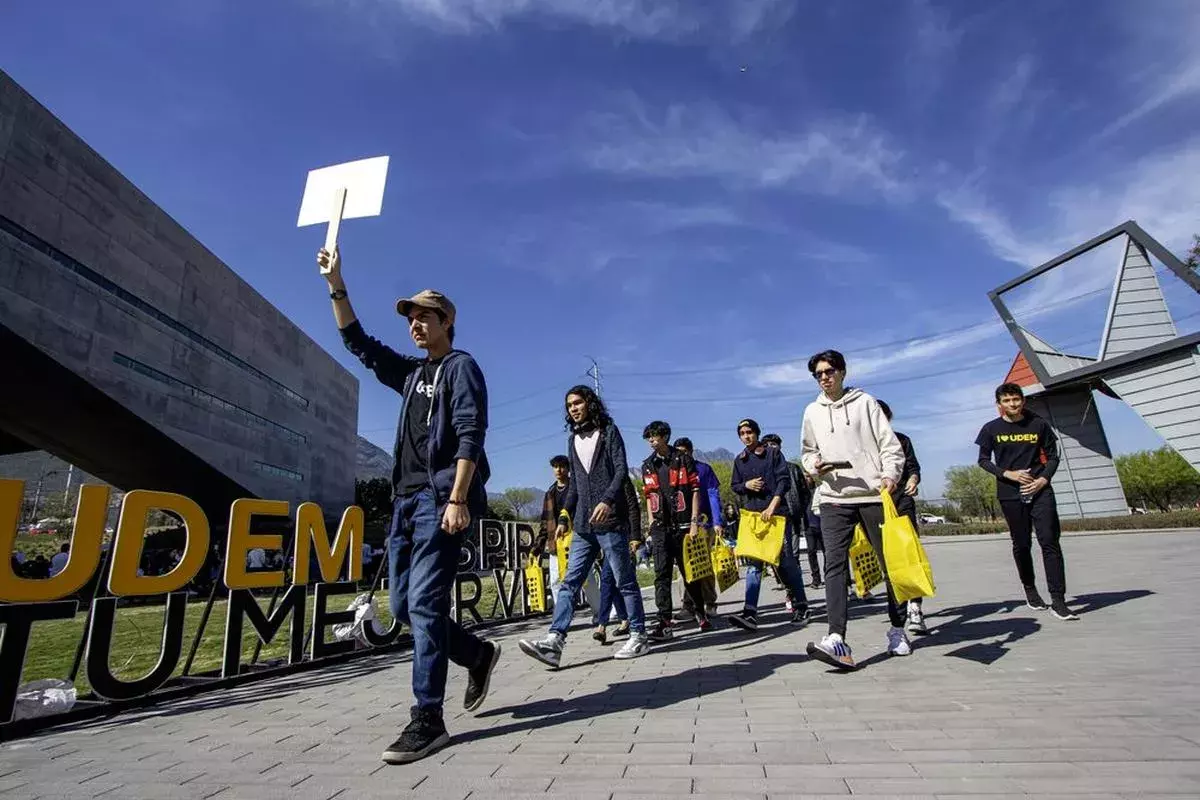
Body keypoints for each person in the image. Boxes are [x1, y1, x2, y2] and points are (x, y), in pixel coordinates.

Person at [318, 246, 500, 765]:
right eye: (412, 319)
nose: (416, 325)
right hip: (403, 503)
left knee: (422, 605)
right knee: (402, 607)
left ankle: (428, 717)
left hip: (440, 499)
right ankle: (478, 653)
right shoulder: (412, 375)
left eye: (425, 317)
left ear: (447, 322)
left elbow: (471, 433)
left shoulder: (461, 368)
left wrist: (458, 497)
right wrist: (337, 283)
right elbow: (358, 342)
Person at [517, 387, 651, 667]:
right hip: (582, 527)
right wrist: (565, 516)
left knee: (624, 580)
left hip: (610, 522)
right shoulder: (572, 439)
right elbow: (576, 484)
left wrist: (607, 501)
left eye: (578, 403)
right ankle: (554, 641)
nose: (573, 408)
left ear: (590, 403)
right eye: (569, 405)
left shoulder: (609, 431)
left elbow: (620, 471)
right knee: (568, 583)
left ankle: (639, 634)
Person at [800, 350, 908, 670]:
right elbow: (807, 452)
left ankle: (898, 629)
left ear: (843, 372)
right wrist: (813, 464)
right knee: (834, 565)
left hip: (873, 494)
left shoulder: (865, 403)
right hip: (834, 497)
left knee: (890, 564)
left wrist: (890, 475)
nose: (824, 377)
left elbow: (890, 445)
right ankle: (836, 637)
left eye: (829, 371)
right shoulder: (811, 411)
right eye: (818, 374)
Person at [975, 383, 1078, 621]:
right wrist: (1007, 474)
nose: (1013, 404)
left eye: (1017, 399)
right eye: (1008, 400)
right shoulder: (991, 429)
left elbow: (1053, 457)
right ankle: (1030, 590)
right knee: (1022, 545)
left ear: (1023, 400)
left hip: (1040, 490)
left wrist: (1043, 479)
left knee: (1050, 542)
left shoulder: (1039, 424)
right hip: (1010, 493)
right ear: (999, 404)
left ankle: (1059, 600)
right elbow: (983, 460)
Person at [728, 420, 810, 631]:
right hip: (754, 519)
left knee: (786, 563)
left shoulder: (772, 454)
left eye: (750, 432)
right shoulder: (740, 460)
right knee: (754, 567)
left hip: (776, 516)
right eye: (743, 433)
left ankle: (801, 605)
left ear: (756, 433)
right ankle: (750, 612)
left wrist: (773, 505)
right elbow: (735, 486)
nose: (747, 436)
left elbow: (784, 481)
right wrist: (746, 485)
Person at [638, 421, 710, 639]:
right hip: (660, 527)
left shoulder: (683, 459)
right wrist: (650, 523)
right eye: (648, 436)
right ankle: (664, 621)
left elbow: (695, 491)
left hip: (684, 525)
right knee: (661, 574)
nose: (651, 440)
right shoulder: (648, 465)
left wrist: (695, 521)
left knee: (689, 572)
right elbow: (649, 497)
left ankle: (700, 613)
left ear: (665, 436)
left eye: (654, 435)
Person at [875, 400, 929, 635]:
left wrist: (913, 480)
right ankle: (897, 609)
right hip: (875, 507)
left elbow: (913, 468)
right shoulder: (862, 447)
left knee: (909, 555)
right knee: (888, 562)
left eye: (882, 416)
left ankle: (915, 607)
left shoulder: (902, 440)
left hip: (901, 503)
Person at [761, 433, 814, 613]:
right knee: (776, 560)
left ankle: (795, 596)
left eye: (775, 444)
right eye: (768, 445)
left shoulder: (793, 468)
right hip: (771, 520)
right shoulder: (762, 469)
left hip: (791, 518)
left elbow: (805, 492)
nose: (772, 447)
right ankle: (791, 590)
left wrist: (799, 511)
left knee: (793, 557)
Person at [673, 437, 722, 620]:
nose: (681, 456)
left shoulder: (704, 469)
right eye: (678, 452)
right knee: (683, 567)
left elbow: (713, 495)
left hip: (703, 524)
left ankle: (710, 603)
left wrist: (717, 521)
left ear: (691, 452)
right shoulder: (673, 472)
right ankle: (687, 605)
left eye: (684, 452)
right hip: (681, 526)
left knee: (704, 564)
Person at [591, 476, 642, 644]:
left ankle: (613, 624)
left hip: (622, 535)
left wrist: (635, 536)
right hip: (605, 536)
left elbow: (633, 507)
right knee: (609, 581)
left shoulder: (622, 479)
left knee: (618, 581)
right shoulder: (599, 480)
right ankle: (616, 622)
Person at [538, 455, 572, 605]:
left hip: (576, 538)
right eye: (555, 466)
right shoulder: (550, 493)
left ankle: (599, 612)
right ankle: (561, 615)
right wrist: (538, 546)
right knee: (555, 580)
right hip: (555, 541)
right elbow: (545, 522)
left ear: (568, 468)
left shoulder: (575, 488)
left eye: (562, 466)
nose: (558, 470)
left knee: (585, 579)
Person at [802, 473, 824, 589]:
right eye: (805, 477)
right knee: (811, 552)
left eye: (808, 476)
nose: (806, 479)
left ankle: (829, 575)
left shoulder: (819, 490)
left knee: (827, 552)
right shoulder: (801, 493)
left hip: (822, 524)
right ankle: (816, 579)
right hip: (809, 526)